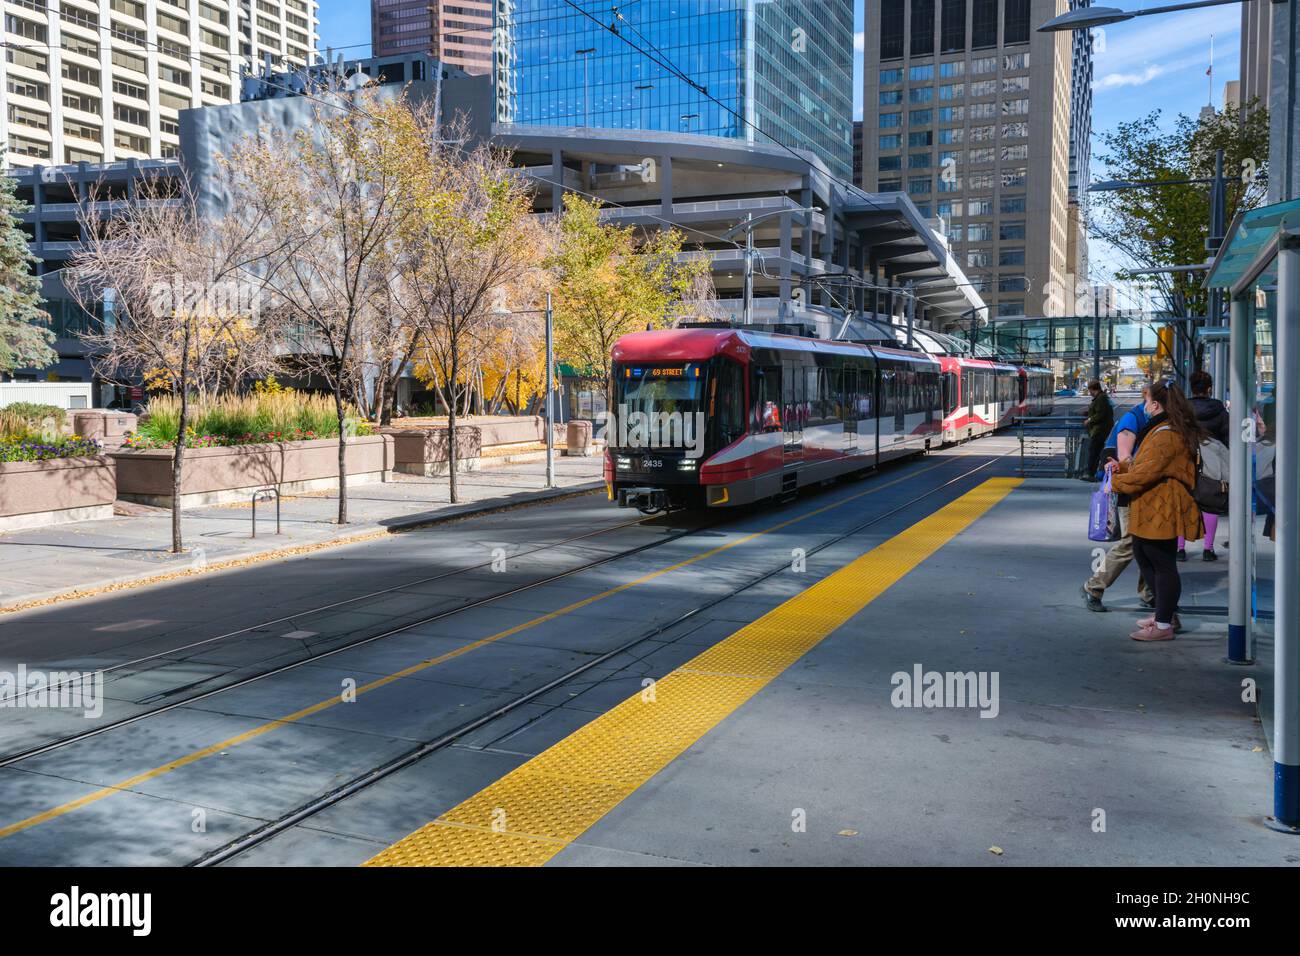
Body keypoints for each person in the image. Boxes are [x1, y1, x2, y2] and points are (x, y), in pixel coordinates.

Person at [1106, 381, 1206, 642]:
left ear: (1157, 404)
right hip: (1151, 505)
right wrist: (1124, 469)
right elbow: (1145, 467)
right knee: (1142, 553)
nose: (1144, 406)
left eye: (1147, 400)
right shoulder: (1161, 429)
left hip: (1162, 507)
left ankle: (1164, 625)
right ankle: (1165, 614)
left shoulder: (1166, 434)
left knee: (1162, 564)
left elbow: (1148, 473)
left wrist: (1114, 483)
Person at [1081, 386, 1155, 612]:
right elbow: (1126, 462)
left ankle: (1149, 592)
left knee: (1149, 542)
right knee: (1132, 542)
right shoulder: (1132, 420)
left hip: (1140, 489)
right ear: (1150, 401)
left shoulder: (1147, 419)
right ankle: (1094, 586)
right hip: (1127, 490)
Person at [1177, 370, 1230, 562]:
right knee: (1210, 502)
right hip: (1212, 460)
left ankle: (1180, 549)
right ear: (1209, 389)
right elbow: (1228, 436)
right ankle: (1208, 550)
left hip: (1187, 458)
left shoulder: (1183, 410)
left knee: (1184, 502)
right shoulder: (1219, 410)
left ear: (1191, 388)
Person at [1083, 379, 1114, 479]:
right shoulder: (1101, 397)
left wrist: (1089, 419)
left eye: (1089, 390)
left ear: (1092, 389)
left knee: (1094, 452)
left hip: (1099, 430)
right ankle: (1091, 473)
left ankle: (1090, 474)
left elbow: (1100, 414)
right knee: (1095, 451)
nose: (1089, 393)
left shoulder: (1100, 398)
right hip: (1101, 430)